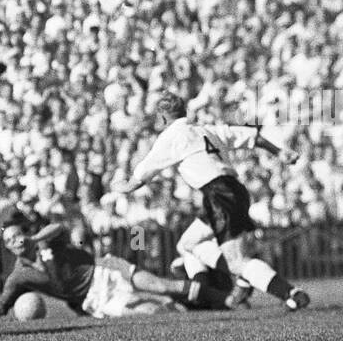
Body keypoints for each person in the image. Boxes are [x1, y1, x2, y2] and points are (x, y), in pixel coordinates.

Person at [126, 92, 310, 311]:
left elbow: (140, 177)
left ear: (163, 117)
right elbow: (253, 136)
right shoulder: (208, 129)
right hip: (235, 190)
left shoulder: (171, 136)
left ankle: (290, 293)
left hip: (218, 195)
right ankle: (211, 292)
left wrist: (120, 187)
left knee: (237, 261)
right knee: (187, 244)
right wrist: (279, 152)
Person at [0, 218, 231, 323]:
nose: (15, 241)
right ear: (6, 248)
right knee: (153, 310)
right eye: (9, 240)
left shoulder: (44, 240)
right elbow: (0, 306)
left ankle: (226, 300)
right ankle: (194, 306)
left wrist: (35, 238)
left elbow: (60, 227)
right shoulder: (19, 276)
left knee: (162, 287)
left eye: (18, 235)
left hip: (105, 269)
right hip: (95, 299)